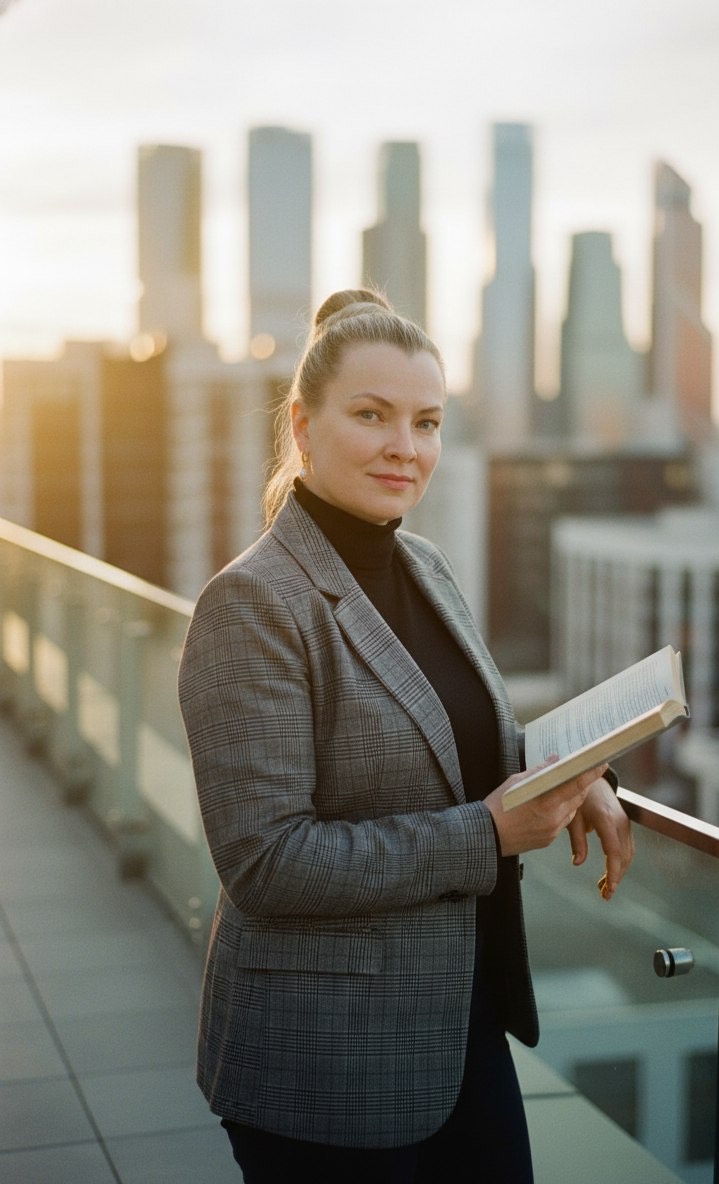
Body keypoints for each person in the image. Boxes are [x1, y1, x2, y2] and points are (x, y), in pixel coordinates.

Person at [178, 289, 634, 1183]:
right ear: (304, 428)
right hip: (328, 1060)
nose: (406, 447)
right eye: (372, 415)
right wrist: (488, 836)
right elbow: (267, 862)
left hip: (461, 1024)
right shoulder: (253, 604)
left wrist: (579, 776)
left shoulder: (424, 564)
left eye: (426, 422)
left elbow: (472, 739)